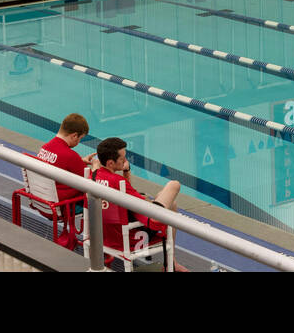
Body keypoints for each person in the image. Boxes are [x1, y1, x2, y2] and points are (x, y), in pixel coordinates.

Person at [93, 137, 187, 271]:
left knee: (169, 203)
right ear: (110, 163)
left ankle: (172, 262)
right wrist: (149, 200)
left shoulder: (94, 175)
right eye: (122, 159)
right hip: (131, 237)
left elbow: (124, 195)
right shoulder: (117, 181)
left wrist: (125, 172)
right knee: (174, 186)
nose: (125, 161)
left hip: (104, 234)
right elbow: (142, 206)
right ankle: (171, 262)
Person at [33, 113, 97, 248]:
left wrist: (79, 162)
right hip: (62, 207)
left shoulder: (44, 148)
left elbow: (58, 162)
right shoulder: (70, 156)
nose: (78, 143)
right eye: (80, 139)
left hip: (40, 202)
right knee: (102, 198)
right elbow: (94, 182)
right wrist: (97, 168)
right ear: (74, 135)